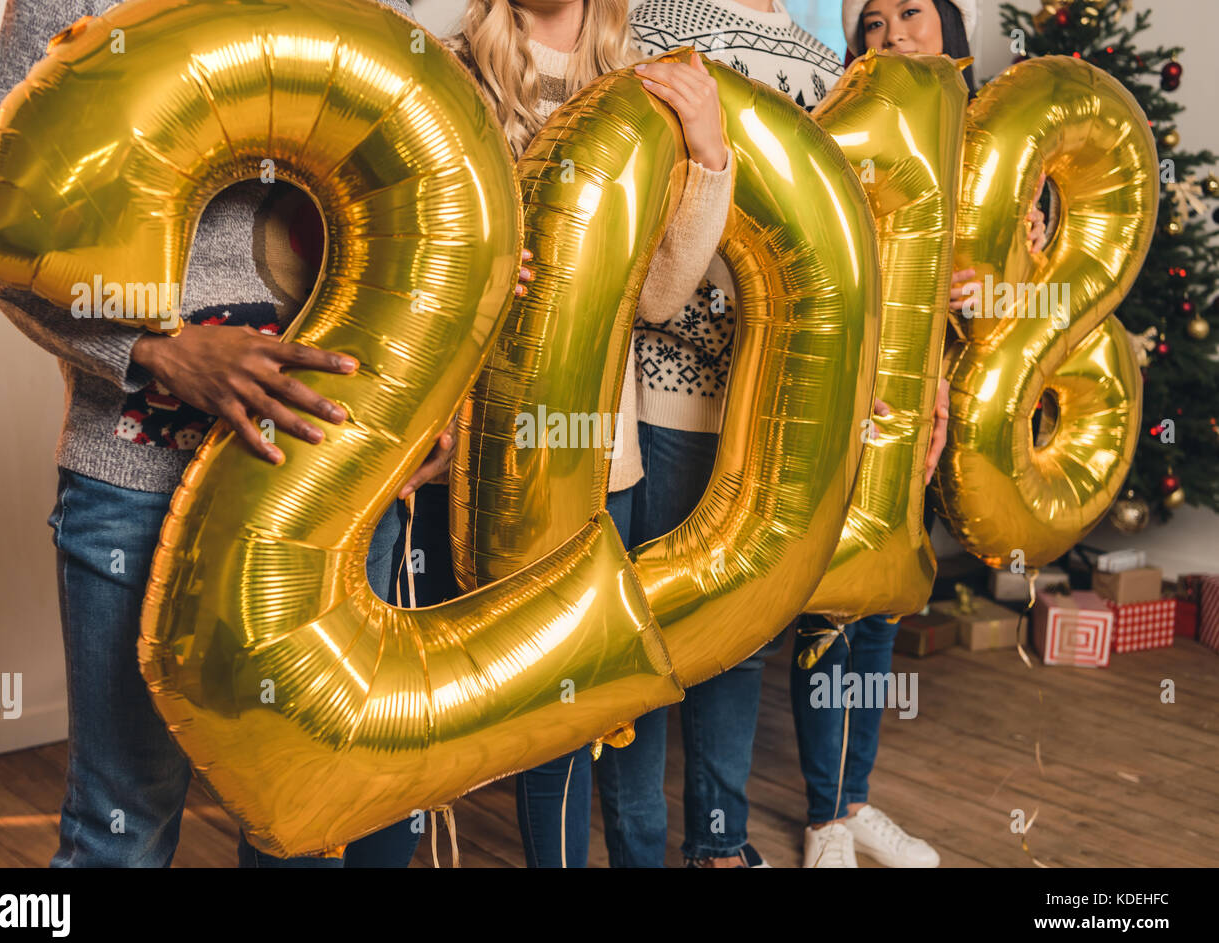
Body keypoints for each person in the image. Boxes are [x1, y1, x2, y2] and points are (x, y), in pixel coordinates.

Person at [0, 0, 456, 868]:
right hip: (135, 479)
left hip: (335, 469)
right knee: (123, 820)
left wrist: (436, 388)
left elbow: (429, 204)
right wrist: (151, 350)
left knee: (300, 813)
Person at [447, 0, 735, 868]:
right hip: (479, 449)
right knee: (546, 717)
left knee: (618, 693)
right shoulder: (452, 66)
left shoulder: (640, 79)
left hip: (607, 448)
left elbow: (654, 297)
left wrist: (710, 152)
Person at [793, 0, 1043, 869]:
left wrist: (1003, 278)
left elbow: (1026, 314)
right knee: (831, 603)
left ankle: (854, 800)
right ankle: (827, 816)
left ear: (953, 36)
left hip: (938, 421)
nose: (891, 32)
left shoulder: (989, 151)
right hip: (857, 399)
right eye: (870, 21)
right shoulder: (848, 127)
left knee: (882, 615)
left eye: (911, 13)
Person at [606, 0, 847, 869]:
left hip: (776, 411)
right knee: (649, 641)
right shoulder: (651, 24)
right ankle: (638, 848)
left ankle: (720, 843)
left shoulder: (824, 61)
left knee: (737, 637)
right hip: (664, 396)